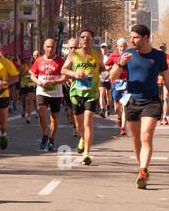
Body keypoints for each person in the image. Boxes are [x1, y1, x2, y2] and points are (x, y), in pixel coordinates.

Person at [110, 23, 169, 189]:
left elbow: (168, 80)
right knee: (136, 139)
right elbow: (112, 77)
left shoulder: (158, 56)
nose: (132, 40)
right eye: (131, 37)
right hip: (132, 101)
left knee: (145, 136)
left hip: (151, 101)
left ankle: (143, 170)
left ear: (146, 38)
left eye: (135, 37)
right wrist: (120, 64)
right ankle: (142, 168)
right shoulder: (128, 54)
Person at [64, 29, 104, 165]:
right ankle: (82, 138)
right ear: (80, 40)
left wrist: (106, 72)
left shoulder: (97, 54)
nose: (85, 39)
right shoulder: (73, 54)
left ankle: (86, 153)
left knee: (88, 122)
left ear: (92, 40)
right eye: (82, 37)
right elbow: (63, 70)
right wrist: (75, 74)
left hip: (91, 93)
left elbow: (102, 68)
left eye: (88, 37)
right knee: (79, 125)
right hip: (76, 92)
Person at [32, 37, 66, 151]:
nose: (50, 49)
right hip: (42, 91)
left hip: (56, 93)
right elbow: (33, 75)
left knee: (54, 118)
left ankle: (51, 138)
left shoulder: (60, 61)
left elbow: (65, 77)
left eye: (52, 47)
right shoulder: (39, 60)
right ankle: (44, 135)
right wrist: (38, 82)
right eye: (48, 47)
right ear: (44, 47)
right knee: (41, 113)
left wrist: (54, 82)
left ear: (55, 48)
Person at [103, 38, 129, 137]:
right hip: (116, 82)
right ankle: (118, 116)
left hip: (126, 82)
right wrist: (112, 67)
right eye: (121, 46)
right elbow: (106, 66)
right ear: (117, 47)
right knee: (117, 105)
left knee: (125, 105)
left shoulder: (129, 56)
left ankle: (123, 128)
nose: (122, 48)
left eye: (124, 46)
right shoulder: (113, 56)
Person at [17, 55, 37, 123]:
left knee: (30, 101)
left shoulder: (34, 65)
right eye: (27, 58)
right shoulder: (23, 66)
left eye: (30, 58)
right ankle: (24, 109)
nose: (29, 60)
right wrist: (25, 73)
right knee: (23, 100)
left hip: (31, 85)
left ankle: (29, 117)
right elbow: (18, 75)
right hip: (23, 85)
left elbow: (37, 74)